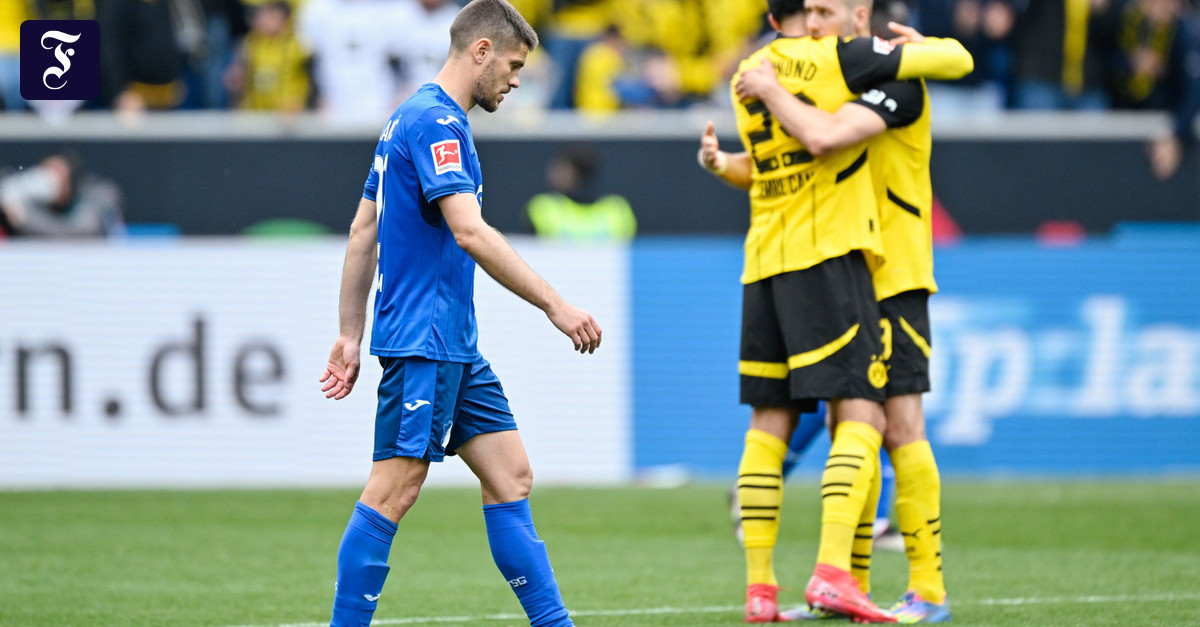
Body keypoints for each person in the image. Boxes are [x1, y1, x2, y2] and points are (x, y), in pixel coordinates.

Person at [317, 1, 601, 626]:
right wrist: (556, 303)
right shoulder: (439, 125)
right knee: (393, 491)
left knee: (511, 475)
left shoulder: (404, 119)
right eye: (514, 65)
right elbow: (469, 232)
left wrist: (349, 332)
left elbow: (364, 230)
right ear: (481, 51)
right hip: (427, 339)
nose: (517, 80)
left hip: (454, 345)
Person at [697, 0, 971, 621]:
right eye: (810, 11)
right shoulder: (824, 74)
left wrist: (770, 90)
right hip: (848, 269)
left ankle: (928, 588)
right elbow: (797, 163)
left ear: (861, 14)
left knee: (897, 426)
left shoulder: (894, 82)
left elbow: (822, 138)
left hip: (893, 274)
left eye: (826, 11)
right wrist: (728, 165)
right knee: (862, 420)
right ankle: (850, 588)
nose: (814, 23)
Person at [0, 153, 125, 238]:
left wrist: (25, 218)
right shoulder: (31, 200)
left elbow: (76, 234)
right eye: (46, 171)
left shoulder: (98, 196)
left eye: (57, 172)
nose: (50, 180)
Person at [526, 147, 637, 242]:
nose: (553, 174)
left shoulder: (617, 208)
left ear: (574, 173)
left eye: (561, 169)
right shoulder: (542, 207)